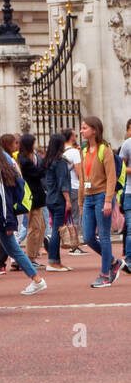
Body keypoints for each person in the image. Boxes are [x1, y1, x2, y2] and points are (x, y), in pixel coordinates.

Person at [0, 136, 47, 297]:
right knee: (13, 249)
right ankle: (37, 280)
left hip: (0, 211)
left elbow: (5, 198)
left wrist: (9, 222)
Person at [76, 115, 123, 287]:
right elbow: (82, 179)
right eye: (82, 128)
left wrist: (109, 200)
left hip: (102, 195)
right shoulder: (83, 151)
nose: (81, 131)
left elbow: (111, 177)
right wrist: (81, 203)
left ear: (94, 130)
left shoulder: (105, 150)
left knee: (104, 236)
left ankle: (105, 274)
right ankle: (112, 261)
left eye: (85, 128)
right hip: (88, 198)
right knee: (88, 237)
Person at [39, 132, 73, 272]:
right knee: (57, 231)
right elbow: (63, 183)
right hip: (59, 199)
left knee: (55, 230)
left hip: (50, 198)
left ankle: (56, 261)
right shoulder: (59, 162)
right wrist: (68, 200)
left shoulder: (47, 161)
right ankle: (53, 261)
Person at [16, 133, 47, 265]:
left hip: (36, 196)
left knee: (41, 227)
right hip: (32, 196)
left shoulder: (27, 157)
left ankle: (33, 255)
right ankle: (29, 257)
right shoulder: (24, 160)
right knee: (34, 228)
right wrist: (45, 162)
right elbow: (38, 173)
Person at [61, 129, 84, 256]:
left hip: (65, 187)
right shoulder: (74, 152)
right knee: (76, 216)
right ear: (71, 137)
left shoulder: (61, 152)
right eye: (75, 135)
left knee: (69, 216)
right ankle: (75, 245)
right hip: (75, 186)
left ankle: (72, 243)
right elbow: (79, 172)